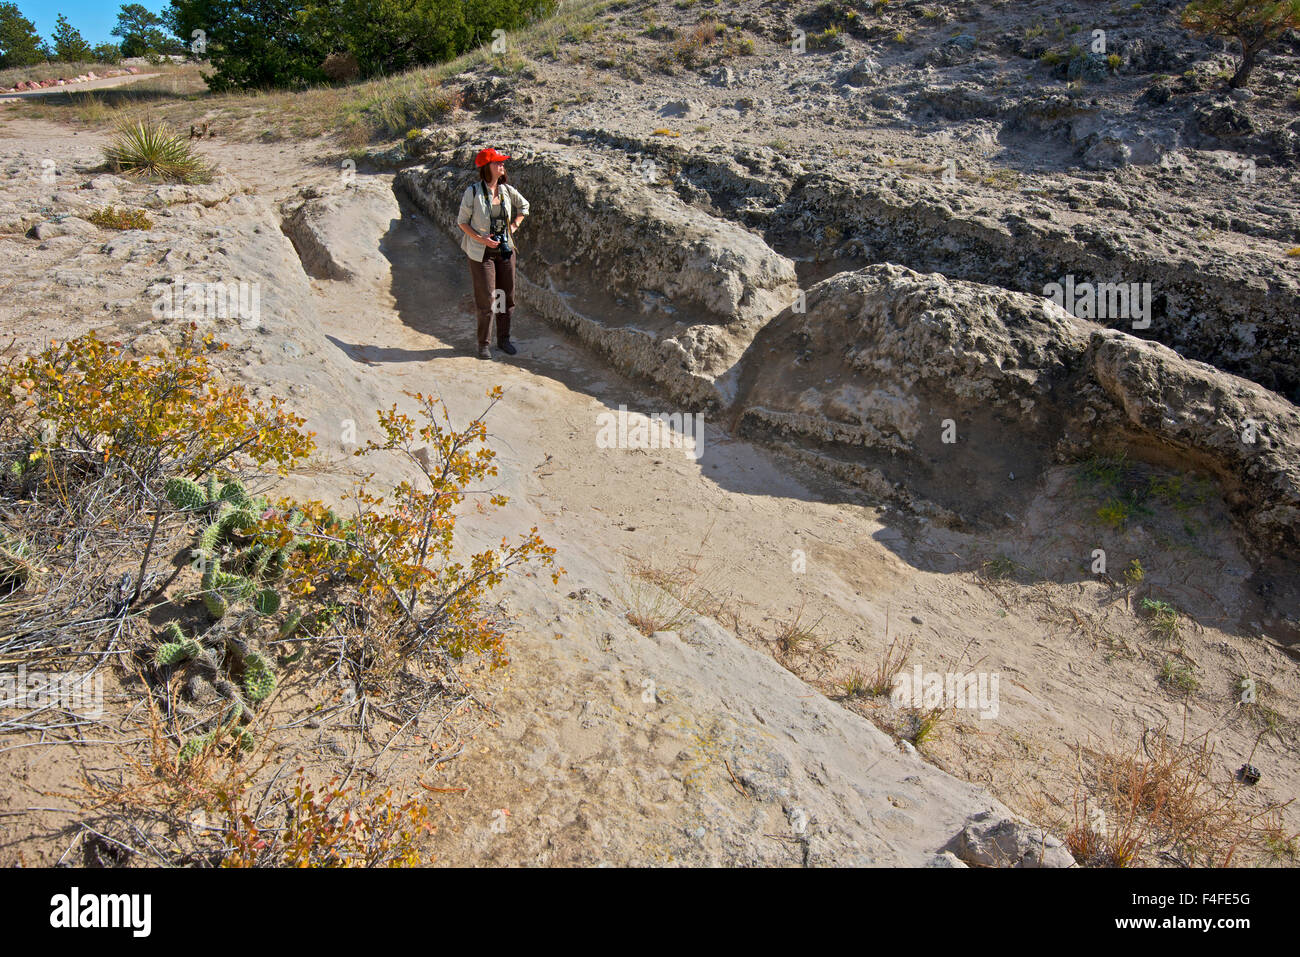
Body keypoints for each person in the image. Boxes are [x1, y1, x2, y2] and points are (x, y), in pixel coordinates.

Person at [457, 147, 530, 359]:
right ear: (487, 167)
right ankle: (483, 344)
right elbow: (462, 222)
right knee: (487, 298)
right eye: (498, 162)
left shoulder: (507, 190)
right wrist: (481, 239)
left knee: (506, 297)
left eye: (502, 163)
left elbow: (524, 207)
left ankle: (504, 339)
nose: (502, 165)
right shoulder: (473, 192)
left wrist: (513, 227)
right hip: (482, 253)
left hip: (505, 251)